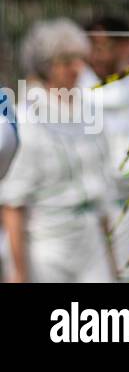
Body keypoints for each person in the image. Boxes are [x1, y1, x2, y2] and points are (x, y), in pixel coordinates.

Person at [0, 20, 118, 283]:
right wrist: (18, 273)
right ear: (46, 65)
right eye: (66, 60)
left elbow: (100, 184)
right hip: (49, 242)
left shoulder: (89, 111)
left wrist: (112, 256)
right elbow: (13, 203)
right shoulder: (25, 118)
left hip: (90, 237)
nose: (77, 68)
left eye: (79, 59)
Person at [81, 15, 129, 279]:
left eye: (105, 46)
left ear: (123, 46)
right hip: (88, 215)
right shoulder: (74, 95)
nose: (98, 55)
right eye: (93, 46)